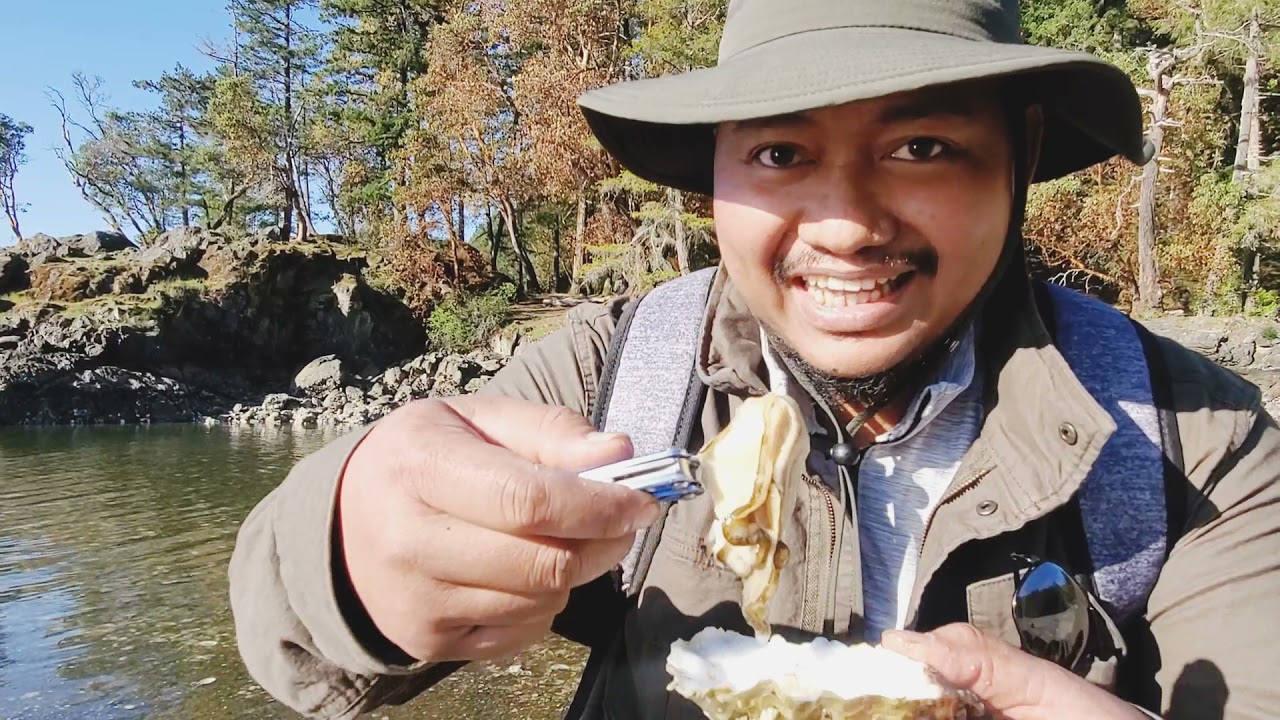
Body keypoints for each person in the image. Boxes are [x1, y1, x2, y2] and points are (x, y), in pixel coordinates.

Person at [227, 1, 1280, 718]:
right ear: (713, 179)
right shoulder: (615, 376)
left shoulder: (1195, 443)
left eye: (921, 147)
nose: (846, 225)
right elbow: (291, 631)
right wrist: (353, 551)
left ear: (1020, 153)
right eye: (780, 153)